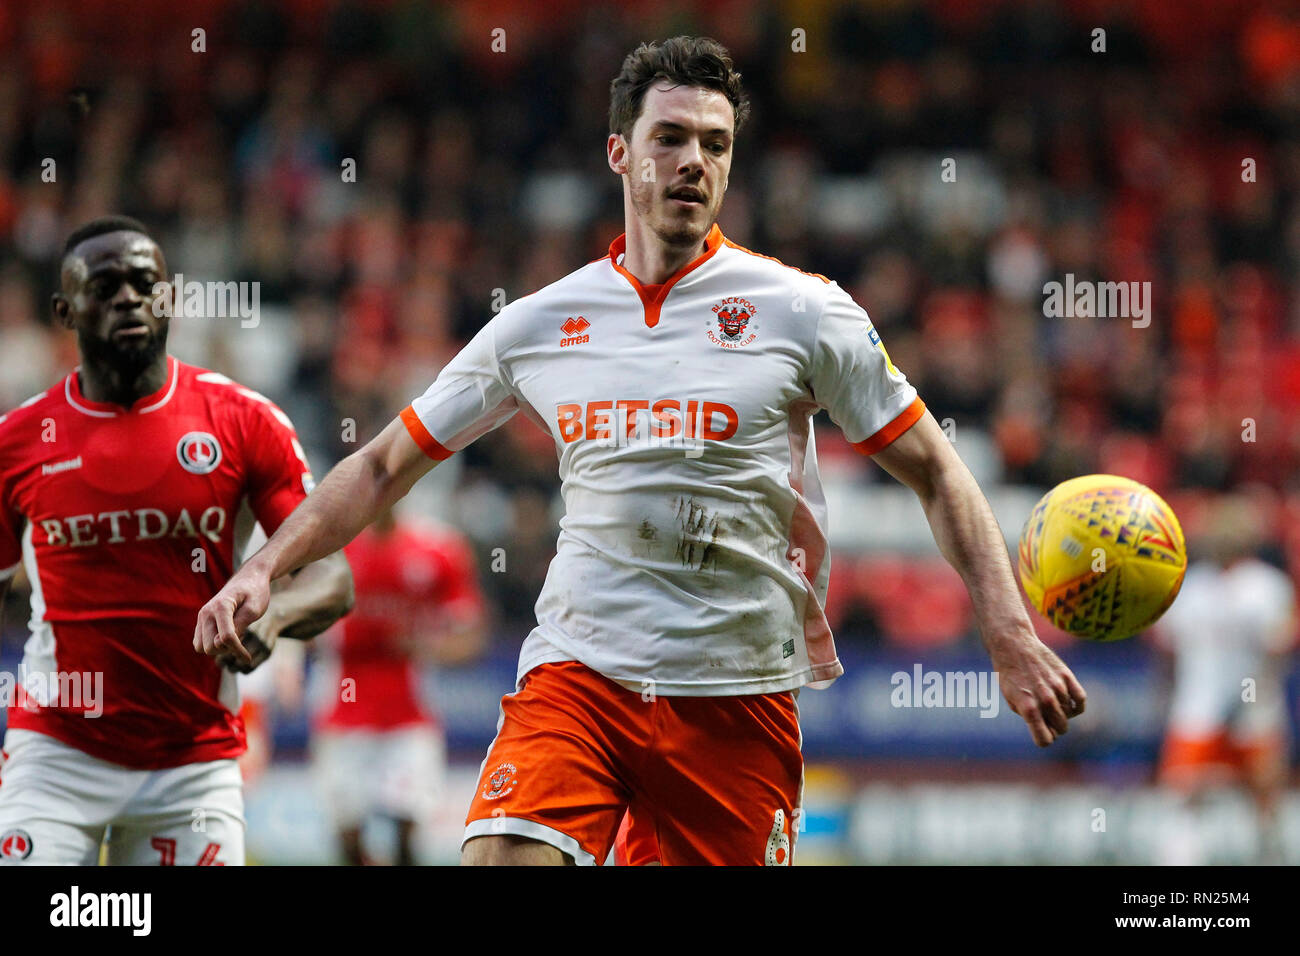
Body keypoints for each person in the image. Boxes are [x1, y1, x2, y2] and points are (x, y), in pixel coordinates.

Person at [197, 37, 1086, 866]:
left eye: (715, 143)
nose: (693, 162)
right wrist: (264, 568)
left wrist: (1008, 633)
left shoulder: (804, 313)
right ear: (620, 153)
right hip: (581, 669)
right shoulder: (540, 323)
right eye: (669, 138)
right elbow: (385, 464)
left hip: (738, 690)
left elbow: (937, 471)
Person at [0, 216, 353, 866]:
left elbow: (331, 575)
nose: (129, 299)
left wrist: (274, 619)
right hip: (56, 751)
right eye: (105, 287)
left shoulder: (244, 422)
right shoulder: (18, 442)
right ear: (63, 310)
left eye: (145, 284)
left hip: (193, 758)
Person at [311, 506, 486, 865]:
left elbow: (470, 634)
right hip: (343, 711)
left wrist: (425, 646)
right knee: (348, 837)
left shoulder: (436, 549)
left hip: (409, 714)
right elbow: (297, 620)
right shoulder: (332, 552)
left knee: (407, 828)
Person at [1153, 492, 1296, 864]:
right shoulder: (1190, 587)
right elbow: (1167, 646)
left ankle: (1270, 857)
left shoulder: (1264, 586)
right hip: (1200, 709)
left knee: (1264, 803)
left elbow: (1282, 642)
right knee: (1185, 799)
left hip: (1253, 711)